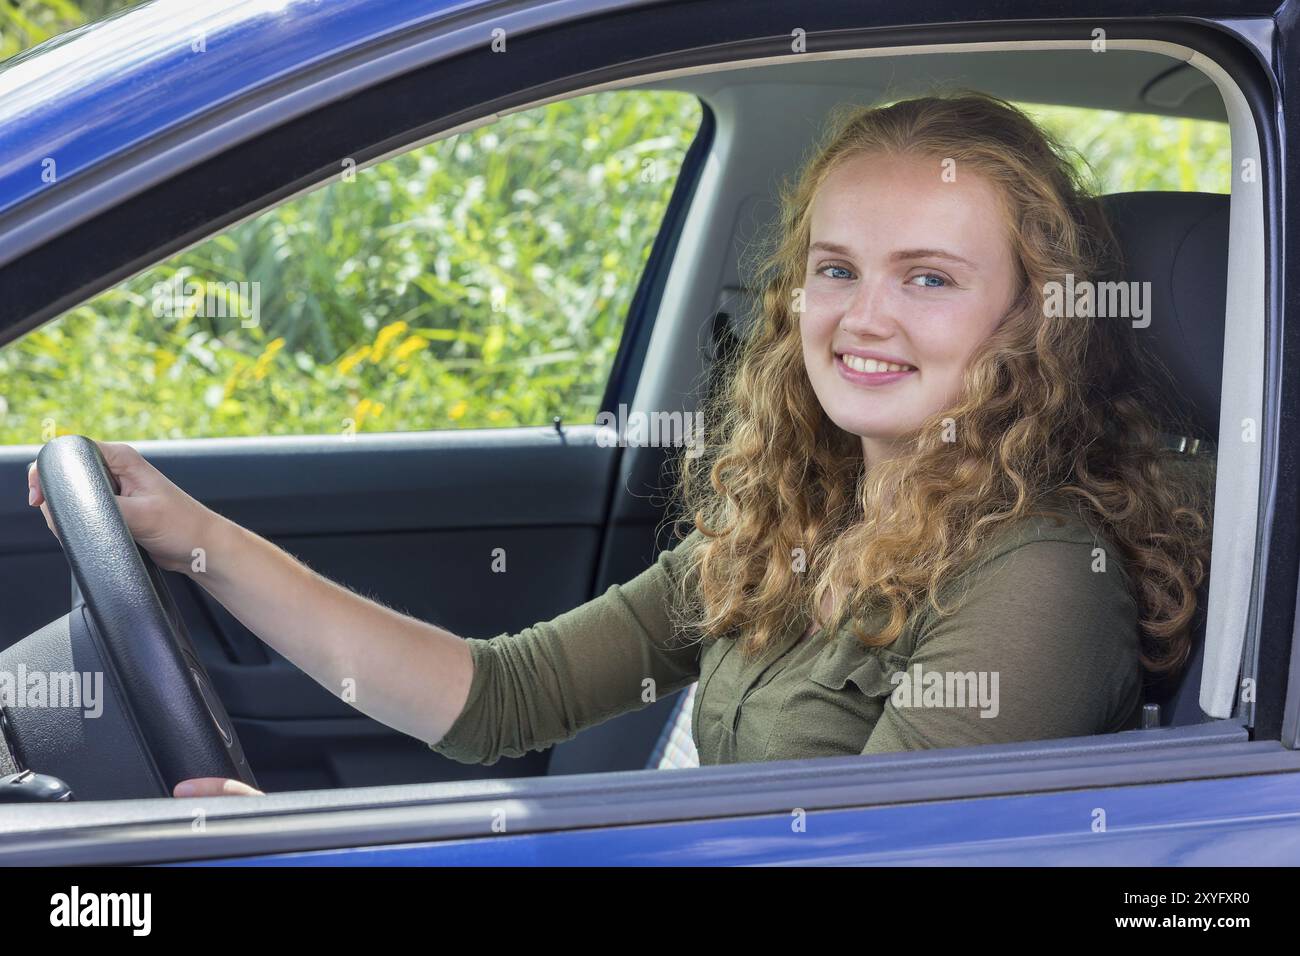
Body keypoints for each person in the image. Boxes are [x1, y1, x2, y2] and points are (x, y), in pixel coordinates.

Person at [26, 92, 1214, 797]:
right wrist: (199, 543)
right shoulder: (804, 515)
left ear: (1028, 320)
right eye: (836, 269)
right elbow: (498, 696)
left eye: (931, 279)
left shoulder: (1043, 579)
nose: (863, 316)